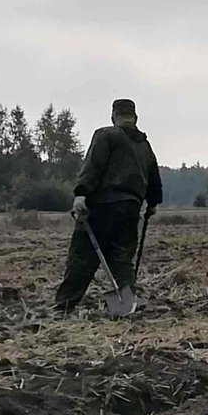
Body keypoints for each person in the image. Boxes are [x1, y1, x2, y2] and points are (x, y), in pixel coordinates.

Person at [54, 98, 162, 313]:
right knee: (122, 259)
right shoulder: (144, 144)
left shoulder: (106, 135)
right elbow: (154, 176)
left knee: (83, 256)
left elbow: (93, 165)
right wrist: (153, 203)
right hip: (131, 208)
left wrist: (81, 194)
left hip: (103, 206)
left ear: (113, 116)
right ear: (135, 118)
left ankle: (64, 307)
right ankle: (124, 308)